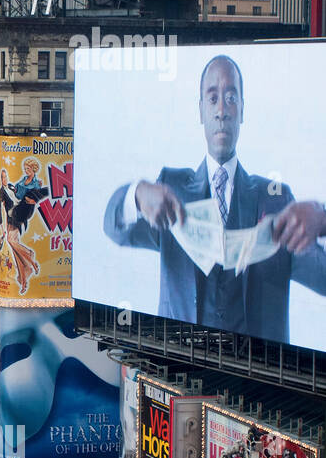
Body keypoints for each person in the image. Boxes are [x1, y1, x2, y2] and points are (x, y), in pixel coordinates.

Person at [102, 55, 326, 343]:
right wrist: (136, 193)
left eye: (231, 97)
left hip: (257, 377)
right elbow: (113, 228)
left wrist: (322, 219)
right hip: (181, 367)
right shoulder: (170, 189)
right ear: (201, 111)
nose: (222, 110)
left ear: (242, 111)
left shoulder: (278, 200)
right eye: (212, 98)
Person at [0, 156, 47, 294]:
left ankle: (31, 259)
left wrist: (36, 194)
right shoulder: (4, 190)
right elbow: (0, 209)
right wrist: (2, 227)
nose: (5, 180)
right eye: (2, 177)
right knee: (15, 252)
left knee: (11, 241)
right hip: (10, 218)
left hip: (20, 215)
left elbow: (32, 197)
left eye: (5, 177)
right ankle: (24, 280)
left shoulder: (23, 185)